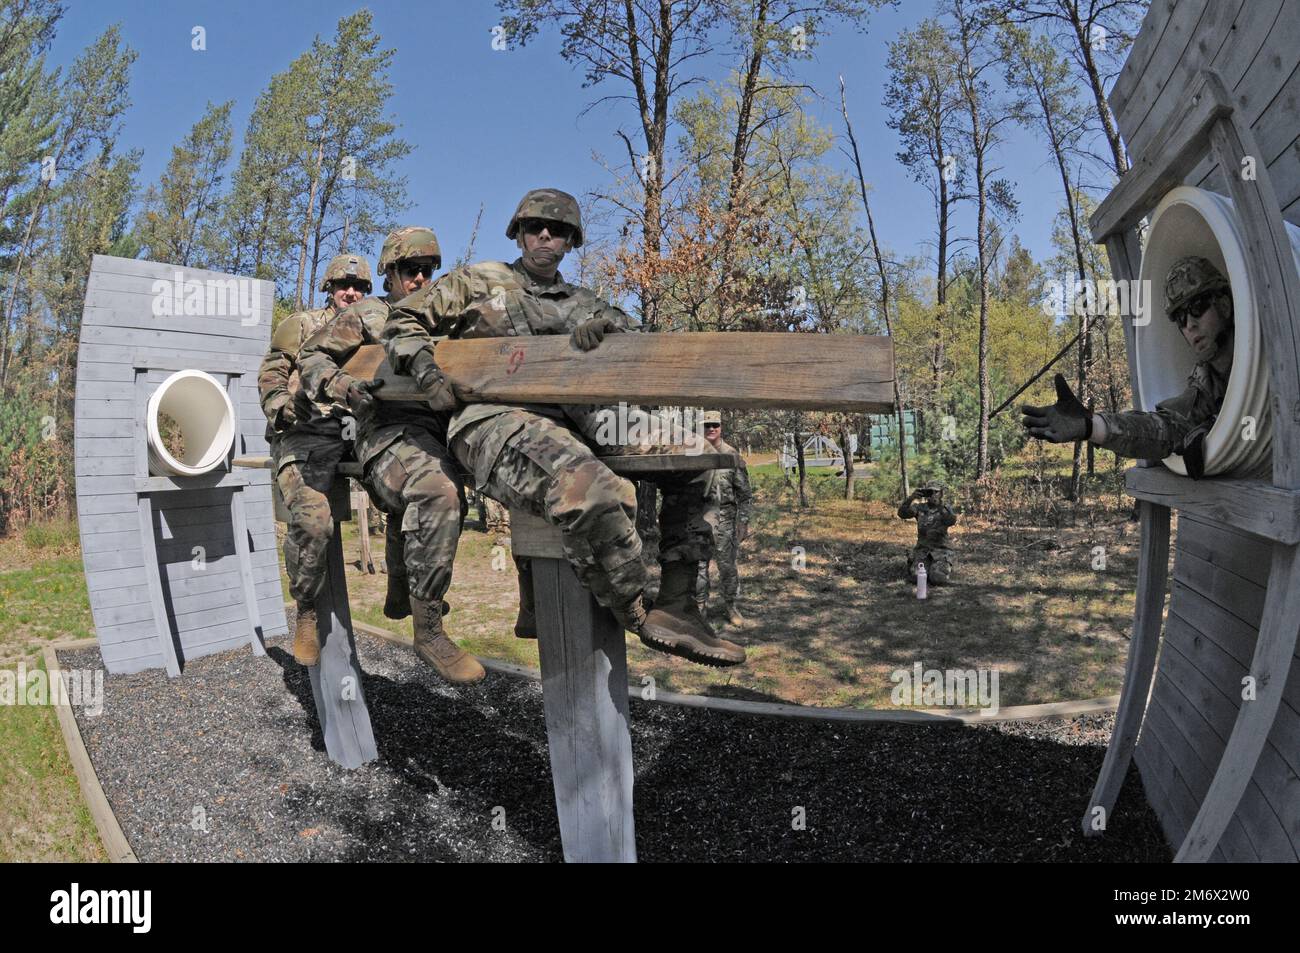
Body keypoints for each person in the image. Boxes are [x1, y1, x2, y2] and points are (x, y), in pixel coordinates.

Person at [384, 188, 747, 667]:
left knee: (698, 459)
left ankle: (679, 603)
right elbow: (403, 320)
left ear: (571, 242)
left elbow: (639, 341)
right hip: (491, 422)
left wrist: (608, 335)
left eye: (558, 231)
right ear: (519, 234)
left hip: (576, 421)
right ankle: (636, 610)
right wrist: (428, 371)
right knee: (592, 490)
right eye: (535, 227)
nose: (545, 237)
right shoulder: (478, 281)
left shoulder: (582, 302)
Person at [299, 227, 484, 684]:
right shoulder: (369, 313)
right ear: (390, 273)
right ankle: (429, 629)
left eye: (428, 270)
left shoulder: (448, 316)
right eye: (410, 270)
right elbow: (311, 359)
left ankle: (533, 608)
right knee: (437, 493)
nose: (420, 279)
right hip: (386, 429)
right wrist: (343, 387)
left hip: (447, 431)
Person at [1022, 256, 1234, 478]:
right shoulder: (1204, 382)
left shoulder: (1267, 354)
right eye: (1181, 317)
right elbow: (1168, 426)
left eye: (1198, 307)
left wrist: (1213, 427)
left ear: (1224, 305)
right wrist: (1091, 426)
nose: (1190, 324)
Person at [258, 253, 370, 665]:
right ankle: (305, 607)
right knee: (313, 517)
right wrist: (284, 405)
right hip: (307, 429)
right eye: (344, 284)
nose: (351, 292)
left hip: (361, 430)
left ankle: (416, 603)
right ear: (329, 287)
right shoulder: (302, 325)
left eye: (359, 286)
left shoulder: (374, 326)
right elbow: (272, 370)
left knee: (417, 485)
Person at [695, 410, 752, 625]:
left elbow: (744, 494)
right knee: (699, 566)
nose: (711, 429)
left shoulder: (731, 455)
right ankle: (700, 608)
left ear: (721, 427)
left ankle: (730, 606)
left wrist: (743, 522)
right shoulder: (694, 453)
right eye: (707, 425)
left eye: (715, 425)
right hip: (699, 519)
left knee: (727, 566)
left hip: (725, 520)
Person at [898, 481, 957, 584]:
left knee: (938, 578)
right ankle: (923, 565)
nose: (933, 494)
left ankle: (942, 567)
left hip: (941, 551)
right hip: (923, 550)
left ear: (941, 494)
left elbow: (951, 521)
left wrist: (939, 506)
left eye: (936, 492)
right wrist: (911, 498)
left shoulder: (945, 508)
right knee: (918, 577)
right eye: (930, 491)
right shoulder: (919, 508)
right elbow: (902, 514)